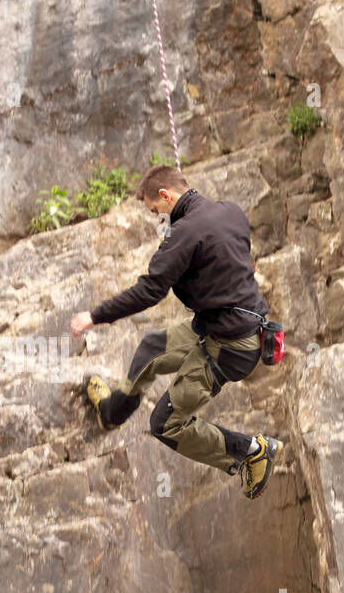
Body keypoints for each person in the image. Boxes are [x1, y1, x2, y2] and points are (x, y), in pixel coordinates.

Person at [70, 165, 283, 499]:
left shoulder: (183, 234)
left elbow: (149, 291)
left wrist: (94, 316)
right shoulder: (231, 211)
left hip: (231, 349)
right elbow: (222, 259)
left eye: (156, 211)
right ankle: (112, 412)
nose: (157, 218)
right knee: (151, 349)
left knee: (165, 425)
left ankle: (251, 451)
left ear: (166, 195)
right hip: (223, 327)